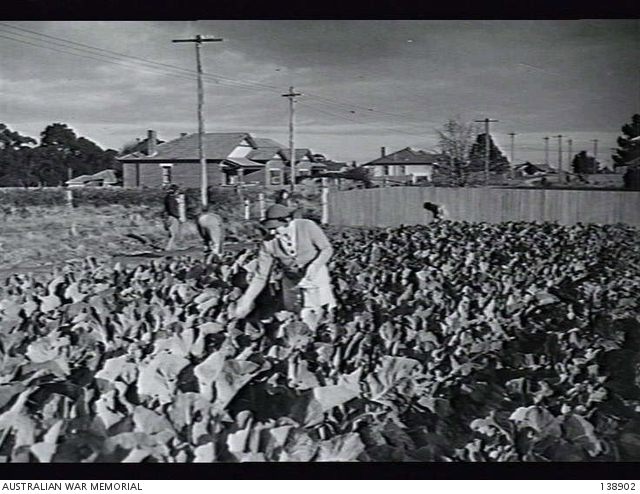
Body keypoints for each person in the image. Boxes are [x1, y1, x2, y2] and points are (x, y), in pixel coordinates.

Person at [231, 203, 336, 330]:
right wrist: (247, 299)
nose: (273, 232)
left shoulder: (306, 226)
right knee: (294, 317)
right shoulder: (268, 242)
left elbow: (326, 249)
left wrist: (314, 266)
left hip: (316, 276)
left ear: (288, 221)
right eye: (270, 228)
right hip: (291, 282)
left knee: (318, 315)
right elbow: (261, 276)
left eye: (277, 228)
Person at [163, 184, 182, 250]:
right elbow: (172, 209)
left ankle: (172, 246)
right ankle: (169, 247)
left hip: (168, 216)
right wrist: (178, 216)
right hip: (172, 217)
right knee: (174, 233)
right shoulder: (171, 199)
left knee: (172, 233)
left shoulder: (167, 197)